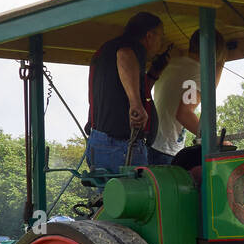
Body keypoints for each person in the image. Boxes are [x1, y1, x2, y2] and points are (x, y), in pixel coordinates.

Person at [86, 12, 168, 171]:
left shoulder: (105, 50)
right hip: (120, 146)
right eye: (161, 37)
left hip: (99, 142)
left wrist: (153, 75)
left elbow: (120, 89)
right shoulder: (132, 48)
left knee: (110, 195)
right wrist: (136, 105)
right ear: (149, 36)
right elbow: (124, 56)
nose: (161, 43)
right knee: (135, 195)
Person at [151, 30, 226, 165]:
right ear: (216, 52)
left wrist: (221, 63)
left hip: (153, 142)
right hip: (165, 148)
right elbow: (184, 114)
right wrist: (214, 140)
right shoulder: (197, 72)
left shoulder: (173, 64)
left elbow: (209, 90)